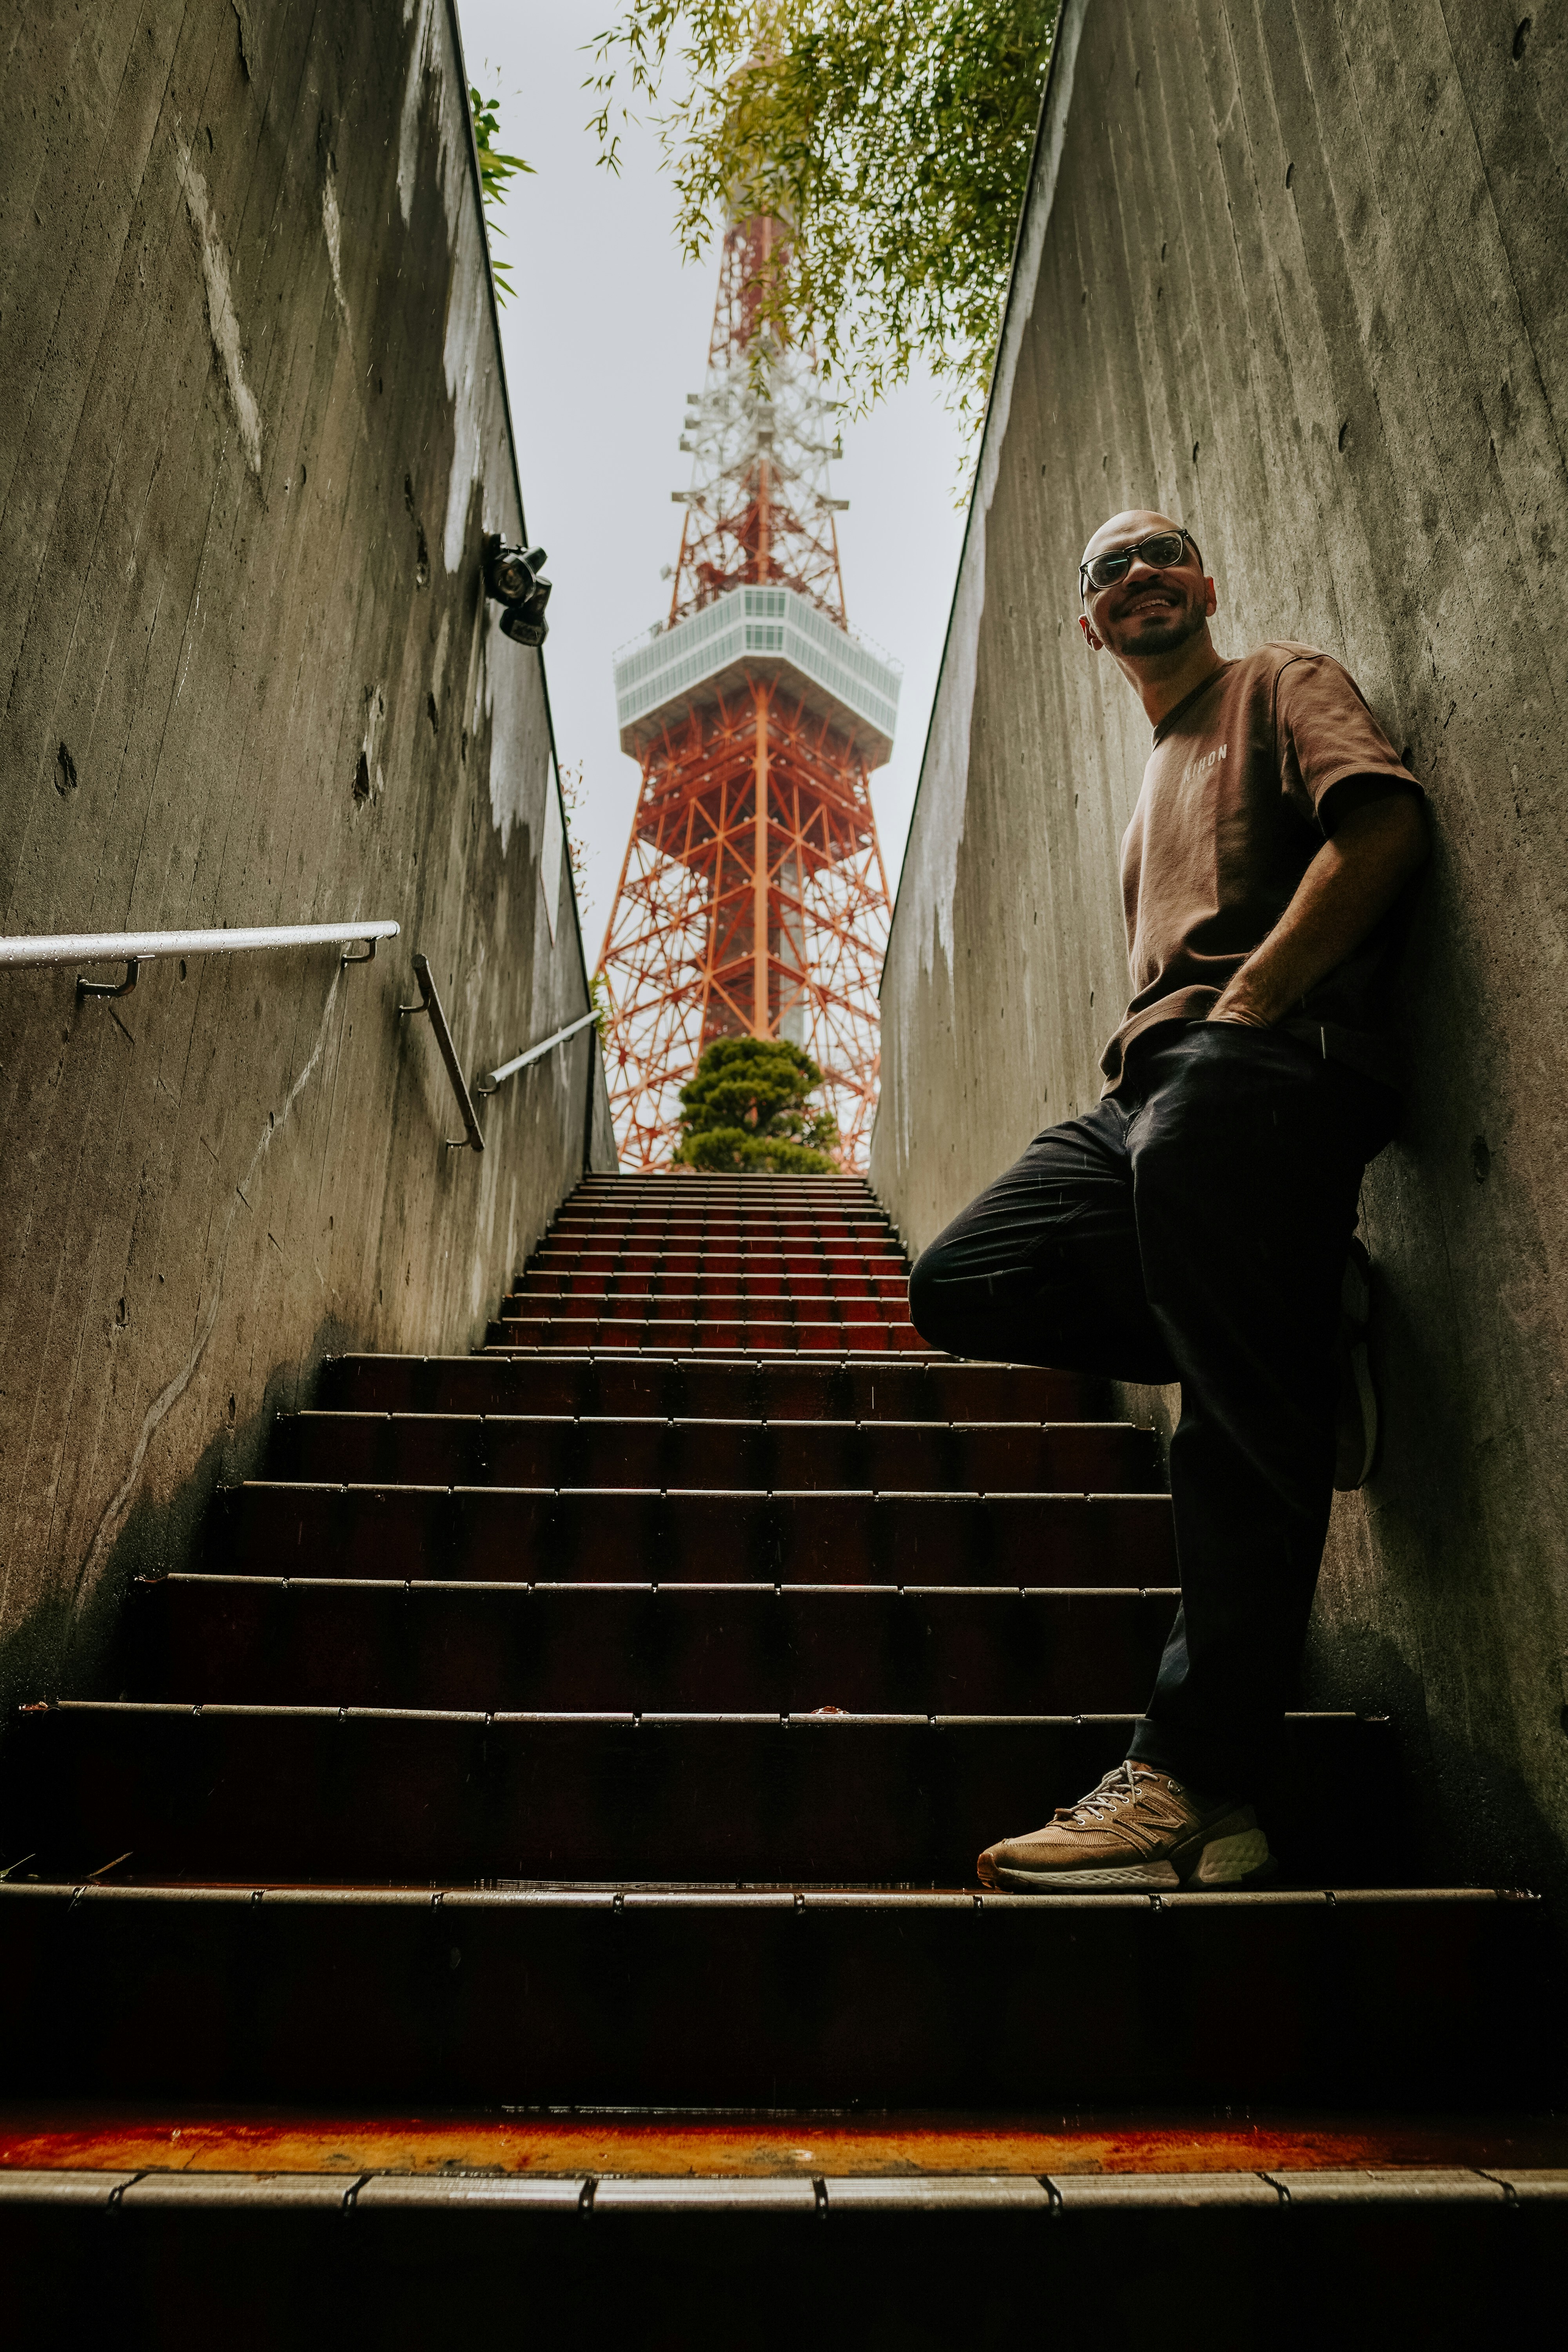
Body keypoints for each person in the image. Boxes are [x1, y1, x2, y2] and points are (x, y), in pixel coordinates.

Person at [907, 510, 1428, 1893]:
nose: (1138, 574)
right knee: (959, 1279)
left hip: (1254, 1064)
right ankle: (1296, 1331)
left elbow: (1380, 830)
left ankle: (1194, 1777)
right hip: (1150, 1093)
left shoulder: (1278, 681)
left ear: (1205, 585)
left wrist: (1254, 1005)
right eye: (1106, 569)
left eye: (1163, 554)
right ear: (1088, 625)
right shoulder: (1148, 790)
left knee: (1229, 1424)